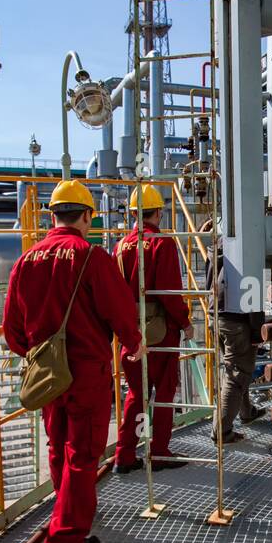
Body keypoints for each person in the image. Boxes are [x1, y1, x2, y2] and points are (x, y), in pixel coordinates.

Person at [3, 179, 145, 543]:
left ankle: (70, 512)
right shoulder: (90, 256)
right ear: (86, 216)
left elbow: (11, 331)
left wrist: (40, 355)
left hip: (49, 375)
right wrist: (133, 343)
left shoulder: (26, 260)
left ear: (52, 215)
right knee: (82, 455)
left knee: (57, 448)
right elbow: (119, 310)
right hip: (87, 373)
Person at [112, 185, 192, 473]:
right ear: (159, 212)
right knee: (164, 393)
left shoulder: (120, 247)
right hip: (161, 333)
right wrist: (185, 322)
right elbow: (169, 292)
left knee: (137, 395)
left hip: (130, 334)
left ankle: (125, 454)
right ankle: (158, 452)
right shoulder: (163, 244)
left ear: (133, 213)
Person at [206, 232, 262, 442]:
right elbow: (252, 289)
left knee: (237, 370)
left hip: (217, 315)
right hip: (238, 319)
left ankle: (246, 413)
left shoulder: (218, 245)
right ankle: (221, 432)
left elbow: (209, 281)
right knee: (237, 374)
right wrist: (257, 331)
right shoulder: (247, 246)